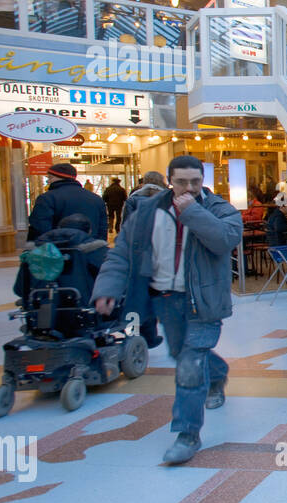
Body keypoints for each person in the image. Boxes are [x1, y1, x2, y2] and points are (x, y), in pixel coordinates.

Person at [91, 155, 243, 465]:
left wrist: (193, 213)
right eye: (182, 182)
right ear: (169, 180)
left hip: (204, 302)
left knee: (188, 365)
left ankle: (187, 435)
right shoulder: (147, 212)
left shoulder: (218, 209)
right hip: (165, 300)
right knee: (182, 355)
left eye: (195, 182)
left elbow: (225, 239)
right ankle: (218, 372)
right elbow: (122, 253)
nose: (189, 188)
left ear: (203, 181)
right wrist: (106, 288)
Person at [13, 214, 107, 306]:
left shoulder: (35, 252)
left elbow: (20, 289)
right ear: (89, 231)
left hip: (39, 308)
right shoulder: (96, 251)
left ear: (59, 228)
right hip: (84, 307)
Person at [28, 163, 107, 242]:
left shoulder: (47, 198)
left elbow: (40, 227)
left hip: (59, 250)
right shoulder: (96, 199)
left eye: (50, 177)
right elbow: (102, 229)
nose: (48, 181)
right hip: (90, 249)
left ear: (58, 177)